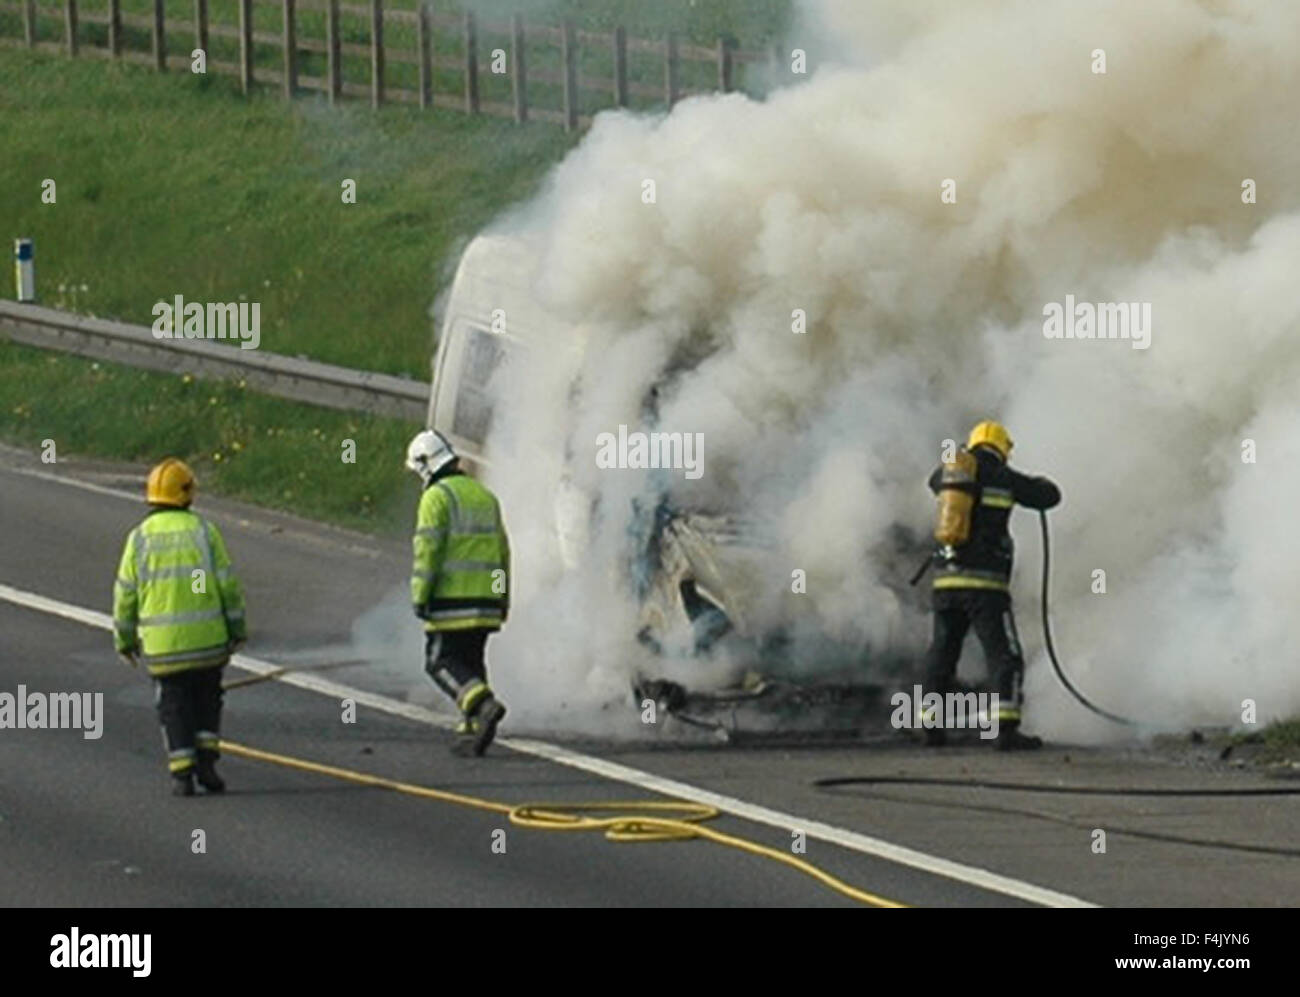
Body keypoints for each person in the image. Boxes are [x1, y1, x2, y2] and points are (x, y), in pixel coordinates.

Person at [922, 421, 1060, 750]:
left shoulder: (952, 473)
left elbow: (932, 481)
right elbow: (1048, 496)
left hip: (945, 583)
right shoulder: (1003, 476)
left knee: (942, 653)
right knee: (1004, 655)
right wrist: (1040, 481)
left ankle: (931, 726)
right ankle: (1005, 730)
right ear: (1002, 449)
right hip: (985, 586)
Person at [113, 458, 246, 795]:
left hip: (163, 647)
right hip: (207, 642)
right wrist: (236, 629)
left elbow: (126, 596)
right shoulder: (203, 531)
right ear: (187, 494)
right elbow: (224, 586)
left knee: (173, 705)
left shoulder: (139, 540)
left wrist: (125, 640)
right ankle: (207, 763)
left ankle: (181, 772)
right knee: (207, 698)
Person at [406, 430, 510, 756]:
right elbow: (503, 553)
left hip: (452, 601)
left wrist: (421, 595)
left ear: (425, 465)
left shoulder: (436, 497)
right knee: (471, 661)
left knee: (440, 661)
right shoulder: (484, 495)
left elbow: (428, 553)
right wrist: (500, 598)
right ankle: (470, 728)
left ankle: (483, 705)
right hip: (486, 603)